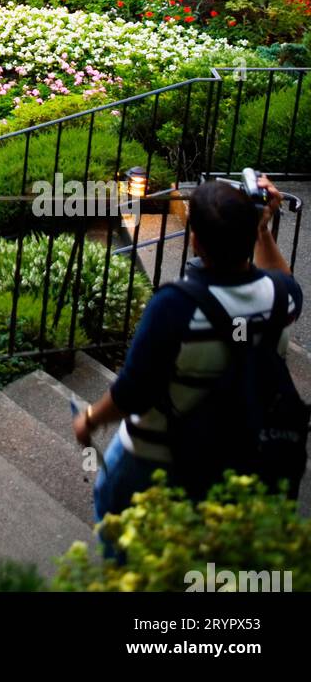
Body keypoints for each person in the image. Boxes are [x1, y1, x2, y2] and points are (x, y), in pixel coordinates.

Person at [74, 175, 304, 525]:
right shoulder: (276, 298)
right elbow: (283, 281)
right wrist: (263, 229)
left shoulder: (175, 307)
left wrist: (88, 419)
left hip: (158, 453)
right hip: (239, 442)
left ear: (195, 240)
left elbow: (132, 393)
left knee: (115, 526)